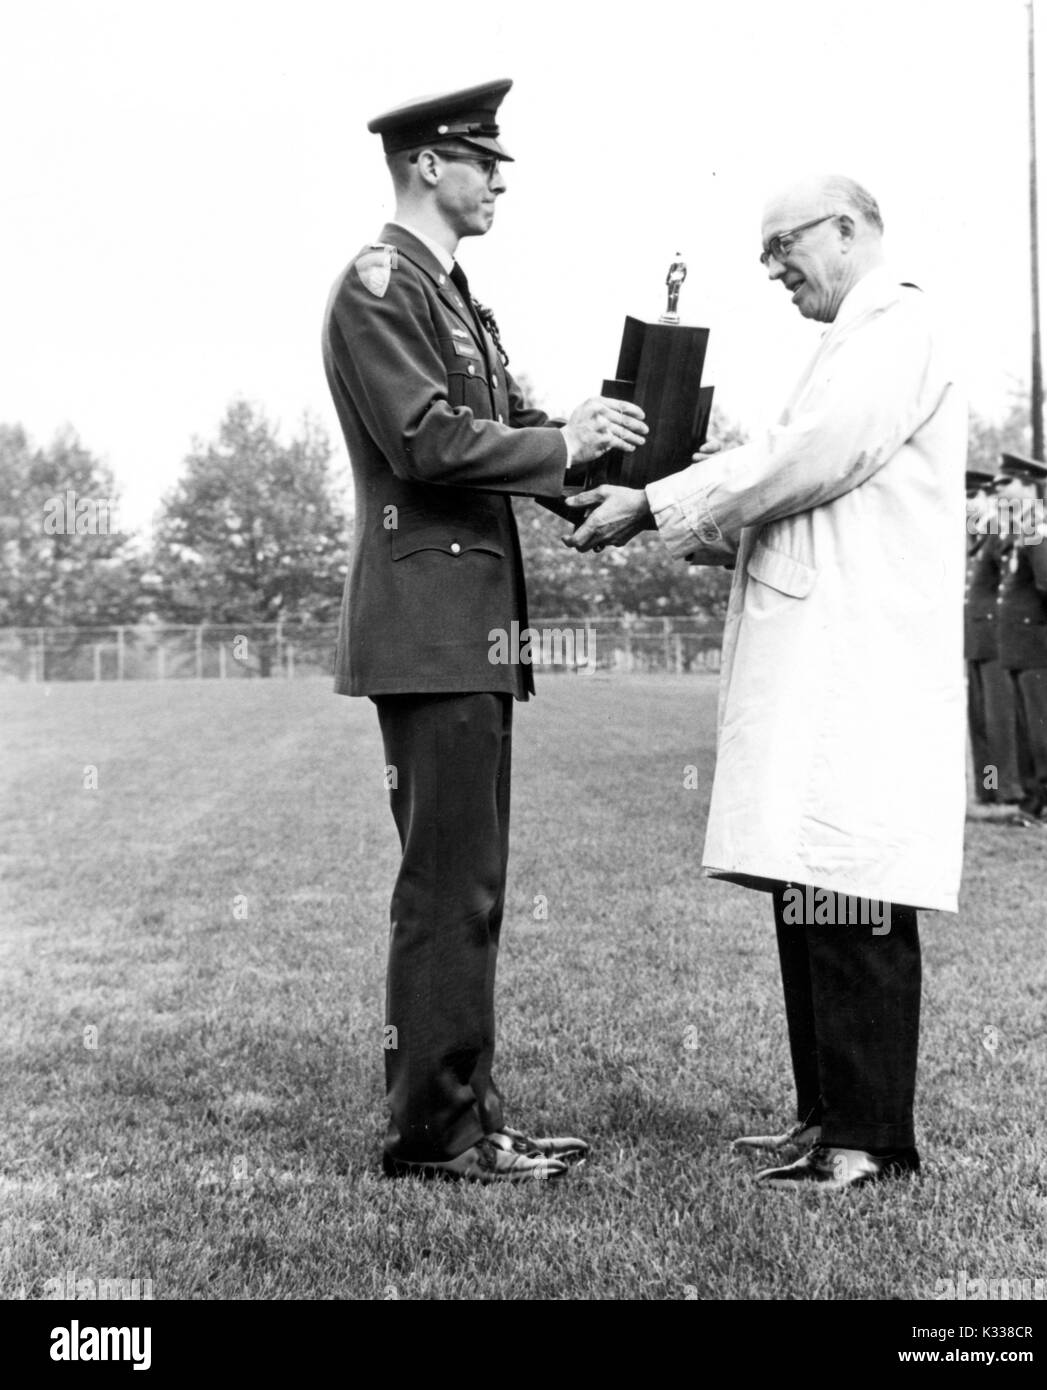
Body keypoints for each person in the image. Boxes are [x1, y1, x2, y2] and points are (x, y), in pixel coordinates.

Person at [567, 175, 966, 1190]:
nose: (773, 267)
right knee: (808, 880)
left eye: (784, 244)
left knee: (852, 886)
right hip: (826, 658)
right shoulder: (849, 346)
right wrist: (696, 492)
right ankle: (826, 1112)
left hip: (857, 665)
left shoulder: (898, 326)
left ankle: (872, 1140)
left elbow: (813, 459)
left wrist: (660, 499)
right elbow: (795, 487)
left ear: (850, 228)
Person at [321, 79, 647, 1183]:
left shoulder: (450, 295)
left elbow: (497, 429)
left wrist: (600, 486)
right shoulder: (379, 287)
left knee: (472, 883)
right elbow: (427, 438)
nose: (497, 178)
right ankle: (435, 1135)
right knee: (447, 885)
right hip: (432, 629)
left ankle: (469, 1114)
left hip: (469, 630)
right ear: (426, 165)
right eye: (481, 159)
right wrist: (563, 445)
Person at [992, 453, 1047, 831]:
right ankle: (1034, 804)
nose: (1000, 493)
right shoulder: (1022, 526)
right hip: (1024, 645)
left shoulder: (1040, 525)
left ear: (1028, 485)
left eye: (1006, 484)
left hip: (1043, 643)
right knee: (1028, 732)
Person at [964, 468, 1022, 817]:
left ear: (988, 497)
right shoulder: (977, 533)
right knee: (982, 722)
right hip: (977, 638)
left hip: (998, 637)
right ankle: (988, 791)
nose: (966, 504)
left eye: (972, 496)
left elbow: (1021, 577)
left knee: (1001, 720)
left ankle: (1008, 790)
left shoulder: (1005, 530)